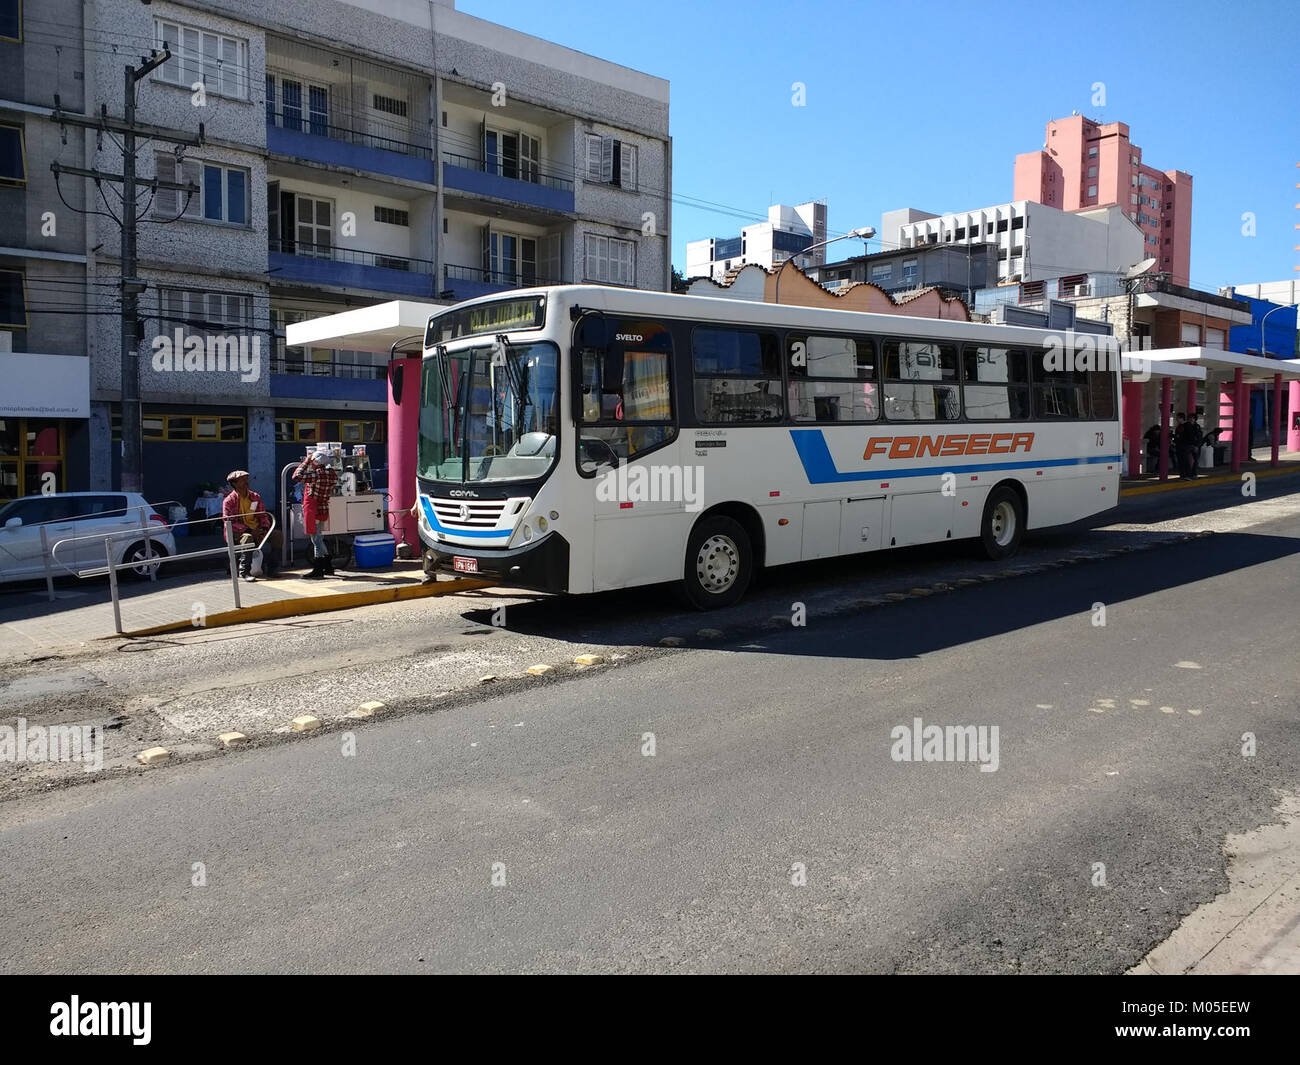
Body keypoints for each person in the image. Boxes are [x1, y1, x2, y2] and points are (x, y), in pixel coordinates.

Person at [222, 470, 281, 581]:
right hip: (239, 532)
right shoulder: (229, 501)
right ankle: (244, 572)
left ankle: (272, 569)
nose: (246, 482)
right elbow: (229, 520)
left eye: (246, 479)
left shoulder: (255, 497)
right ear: (234, 483)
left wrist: (263, 528)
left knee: (277, 535)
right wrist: (248, 530)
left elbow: (262, 515)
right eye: (242, 480)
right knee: (247, 539)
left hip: (257, 529)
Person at [293, 449, 339, 579]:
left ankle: (318, 568)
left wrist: (306, 461)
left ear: (316, 462)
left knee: (316, 539)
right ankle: (328, 566)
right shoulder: (331, 474)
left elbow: (296, 476)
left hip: (313, 509)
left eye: (313, 461)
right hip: (323, 508)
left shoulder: (316, 474)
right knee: (318, 537)